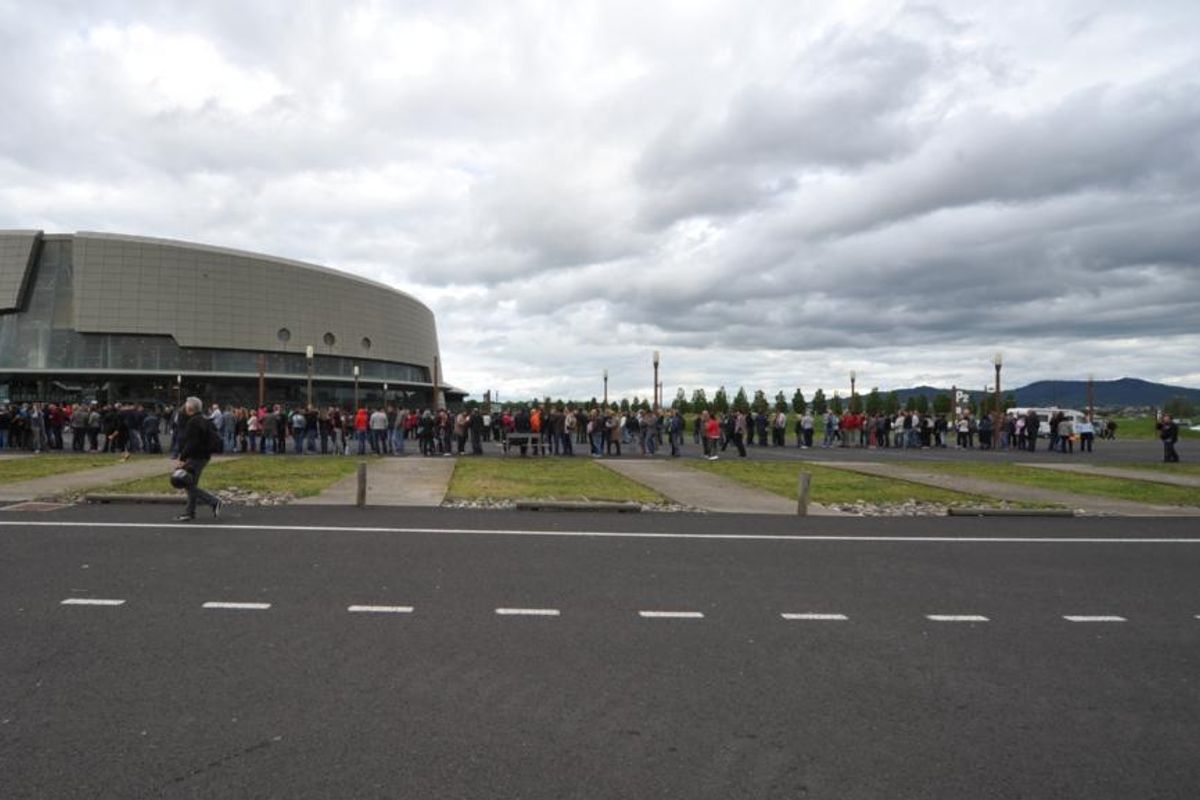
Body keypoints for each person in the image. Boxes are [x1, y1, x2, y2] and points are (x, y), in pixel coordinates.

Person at [173, 396, 223, 521]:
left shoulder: (193, 422)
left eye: (186, 405)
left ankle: (213, 501)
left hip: (195, 457)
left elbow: (191, 443)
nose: (184, 407)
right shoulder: (204, 419)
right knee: (191, 483)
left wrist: (182, 458)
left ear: (190, 408)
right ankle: (190, 512)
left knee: (185, 482)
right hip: (204, 456)